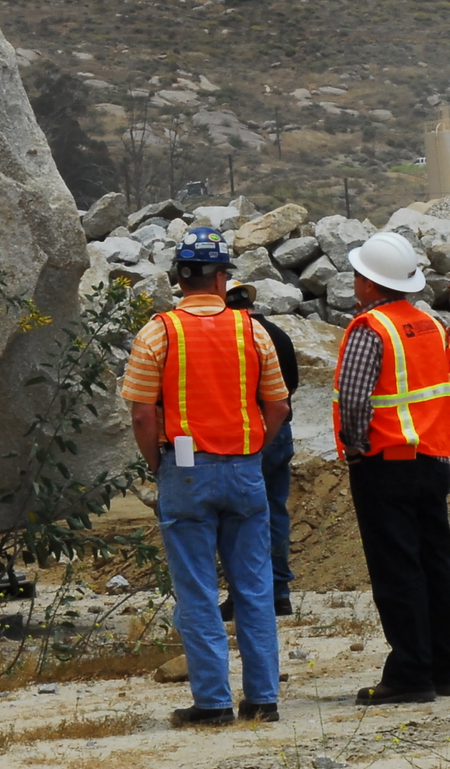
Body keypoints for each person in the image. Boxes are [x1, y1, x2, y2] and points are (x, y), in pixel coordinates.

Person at [121, 227, 289, 726]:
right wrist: (254, 447)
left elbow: (141, 414)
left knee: (196, 590)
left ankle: (213, 703)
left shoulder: (158, 332)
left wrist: (158, 465)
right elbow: (278, 404)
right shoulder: (251, 331)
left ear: (179, 278)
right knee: (254, 588)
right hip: (244, 469)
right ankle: (263, 699)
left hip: (185, 470)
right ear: (221, 279)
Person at [335, 230, 450, 704]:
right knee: (436, 564)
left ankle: (409, 674)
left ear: (369, 283)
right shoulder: (432, 325)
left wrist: (355, 449)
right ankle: (443, 667)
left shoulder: (370, 329)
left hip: (387, 463)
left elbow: (354, 402)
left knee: (397, 569)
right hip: (434, 459)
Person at [219, 280, 300, 618]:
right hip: (280, 432)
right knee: (275, 510)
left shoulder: (229, 336)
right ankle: (280, 593)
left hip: (244, 436)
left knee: (239, 516)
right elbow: (290, 386)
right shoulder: (278, 334)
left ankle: (244, 595)